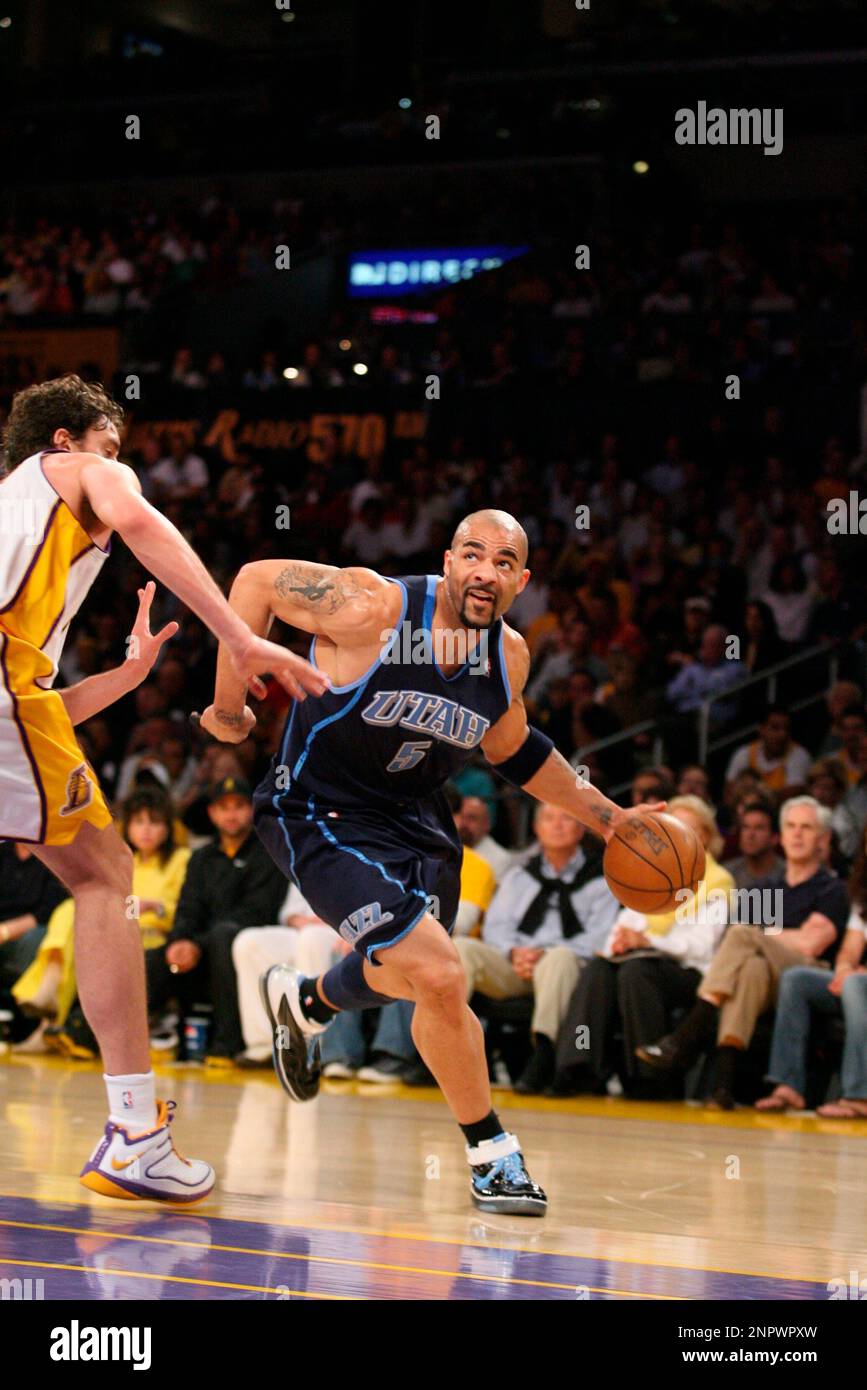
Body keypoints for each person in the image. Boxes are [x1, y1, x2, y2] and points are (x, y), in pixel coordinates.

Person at [200, 508, 663, 1215]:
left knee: (413, 979)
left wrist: (611, 818)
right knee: (441, 973)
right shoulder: (373, 606)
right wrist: (230, 705)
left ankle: (306, 1000)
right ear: (448, 561)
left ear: (521, 581)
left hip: (415, 821)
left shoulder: (506, 656)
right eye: (472, 555)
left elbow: (514, 750)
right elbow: (256, 580)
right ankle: (492, 1156)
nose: (485, 572)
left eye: (503, 563)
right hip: (320, 811)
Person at [0, 374, 327, 1203]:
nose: (120, 467)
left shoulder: (15, 516)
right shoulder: (73, 470)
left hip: (18, 693)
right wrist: (239, 635)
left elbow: (40, 715)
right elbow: (142, 522)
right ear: (67, 439)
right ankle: (135, 1134)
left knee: (96, 874)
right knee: (107, 878)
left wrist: (126, 674)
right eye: (112, 447)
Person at [638, 796, 850, 1109]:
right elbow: (752, 944)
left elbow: (809, 944)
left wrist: (762, 934)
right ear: (781, 833)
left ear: (823, 839)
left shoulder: (831, 888)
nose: (797, 834)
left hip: (806, 977)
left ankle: (686, 1035)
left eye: (807, 828)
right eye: (791, 826)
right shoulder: (766, 887)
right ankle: (724, 1086)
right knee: (750, 967)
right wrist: (771, 936)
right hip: (764, 977)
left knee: (742, 935)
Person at [550, 796, 734, 1099]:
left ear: (705, 837)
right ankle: (578, 1066)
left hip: (691, 974)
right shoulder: (651, 869)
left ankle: (650, 1077)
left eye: (688, 828)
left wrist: (648, 942)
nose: (678, 834)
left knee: (637, 971)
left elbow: (700, 947)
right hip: (647, 960)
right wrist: (619, 942)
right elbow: (625, 922)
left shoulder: (717, 881)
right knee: (600, 967)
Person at [456, 802, 620, 1096]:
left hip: (567, 969)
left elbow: (599, 937)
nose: (557, 825)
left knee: (559, 958)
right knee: (461, 949)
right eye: (548, 818)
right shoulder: (519, 875)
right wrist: (514, 953)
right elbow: (496, 927)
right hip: (515, 964)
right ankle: (444, 1049)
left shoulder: (602, 878)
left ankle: (544, 1055)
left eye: (566, 818)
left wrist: (543, 954)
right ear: (536, 828)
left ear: (581, 827)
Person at [755, 826, 867, 1117]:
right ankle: (787, 1085)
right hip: (858, 981)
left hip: (862, 984)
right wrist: (843, 968)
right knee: (797, 979)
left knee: (855, 985)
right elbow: (851, 948)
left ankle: (860, 1094)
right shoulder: (862, 893)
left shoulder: (828, 888)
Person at [724, 799, 784, 890]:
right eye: (745, 827)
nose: (750, 834)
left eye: (759, 828)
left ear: (774, 838)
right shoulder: (726, 875)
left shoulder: (788, 876)